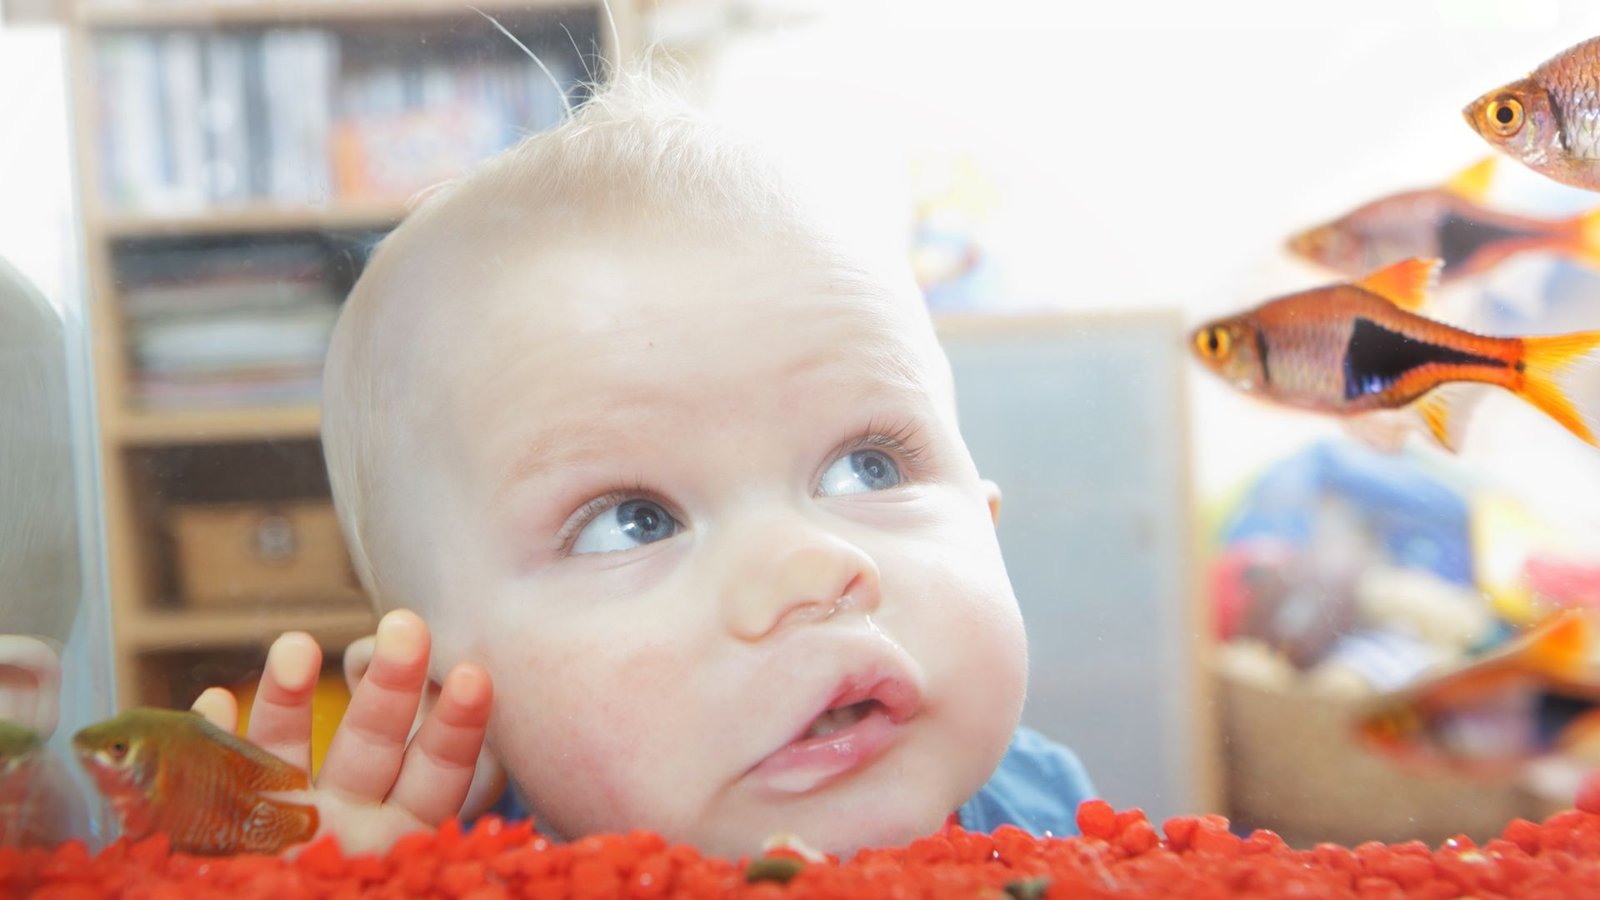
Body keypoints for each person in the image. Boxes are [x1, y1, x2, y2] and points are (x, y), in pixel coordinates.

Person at [190, 73, 1095, 858]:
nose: (809, 569)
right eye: (633, 521)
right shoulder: (449, 877)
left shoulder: (1056, 816)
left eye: (868, 468)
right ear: (443, 692)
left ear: (986, 523)